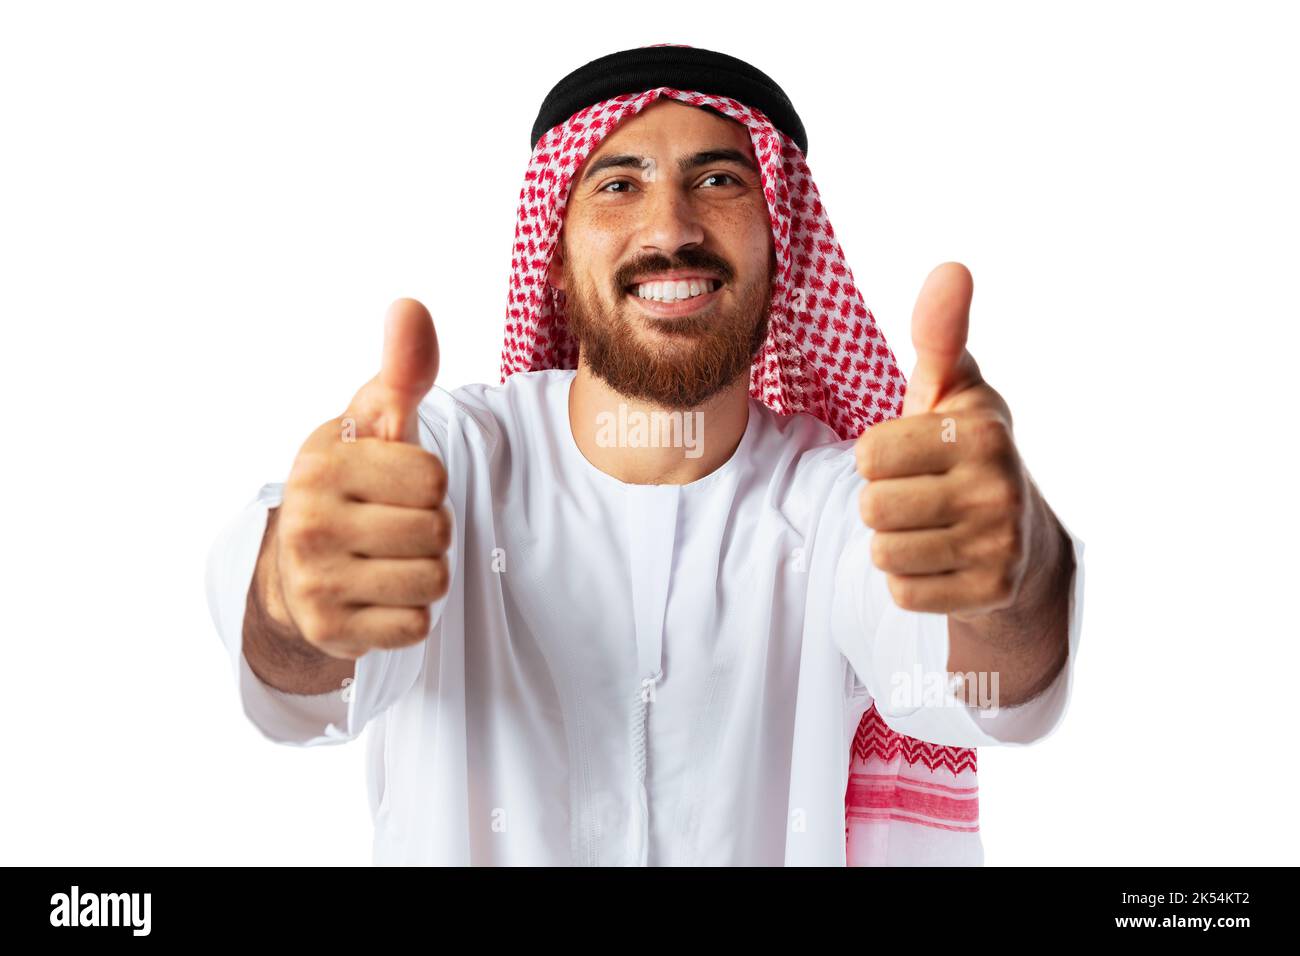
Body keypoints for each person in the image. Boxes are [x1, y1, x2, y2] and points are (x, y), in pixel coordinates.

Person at [206, 44, 1084, 865]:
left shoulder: (841, 501)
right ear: (552, 256)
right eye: (618, 184)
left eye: (718, 179)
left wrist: (1017, 564)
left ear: (783, 253)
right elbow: (302, 671)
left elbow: (982, 684)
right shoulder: (449, 465)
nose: (672, 228)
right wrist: (294, 587)